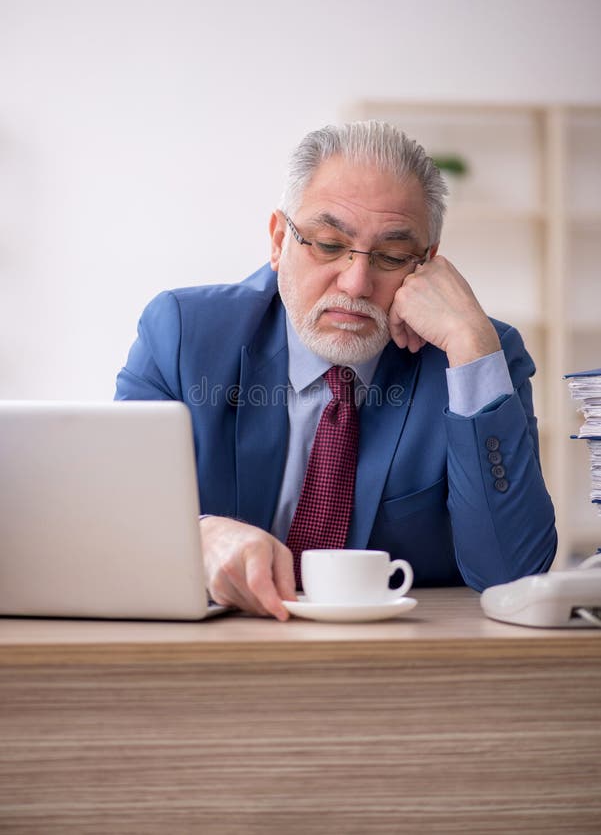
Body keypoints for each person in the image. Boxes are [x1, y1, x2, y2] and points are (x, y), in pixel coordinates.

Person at [115, 121, 557, 620]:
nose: (356, 282)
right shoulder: (184, 335)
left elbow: (513, 572)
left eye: (391, 256)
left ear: (427, 264)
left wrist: (472, 346)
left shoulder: (474, 357)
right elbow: (112, 516)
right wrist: (198, 534)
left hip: (398, 663)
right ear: (280, 239)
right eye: (328, 244)